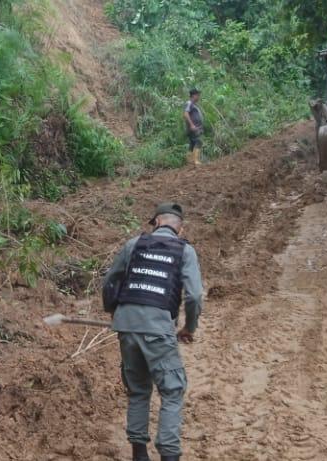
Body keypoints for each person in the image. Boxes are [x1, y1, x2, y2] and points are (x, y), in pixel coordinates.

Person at [103, 202, 204, 461]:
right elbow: (193, 296)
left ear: (156, 222)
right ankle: (169, 454)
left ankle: (139, 454)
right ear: (179, 228)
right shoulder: (185, 250)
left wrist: (114, 313)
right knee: (171, 389)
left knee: (138, 390)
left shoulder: (134, 244)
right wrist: (189, 327)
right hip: (158, 330)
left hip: (127, 327)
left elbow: (111, 282)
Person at [182, 89, 204, 166]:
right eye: (198, 95)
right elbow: (185, 114)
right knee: (199, 142)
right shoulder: (189, 103)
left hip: (194, 128)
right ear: (194, 95)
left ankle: (190, 161)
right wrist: (192, 125)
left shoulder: (193, 104)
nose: (199, 97)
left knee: (192, 144)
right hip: (193, 128)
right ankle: (195, 161)